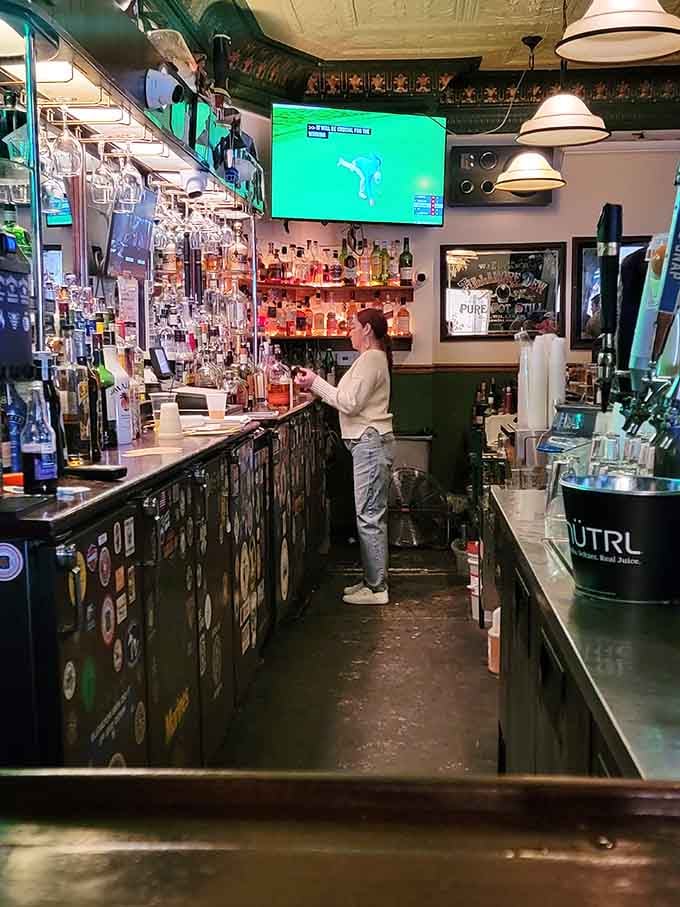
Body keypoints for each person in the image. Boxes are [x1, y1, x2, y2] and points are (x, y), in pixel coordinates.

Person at [295, 308, 394, 605]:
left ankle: (377, 589)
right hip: (368, 442)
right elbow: (346, 399)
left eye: (352, 326)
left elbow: (350, 403)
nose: (348, 331)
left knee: (369, 516)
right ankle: (372, 580)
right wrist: (318, 391)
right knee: (369, 514)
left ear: (367, 329)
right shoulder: (369, 359)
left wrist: (316, 382)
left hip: (370, 442)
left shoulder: (372, 358)